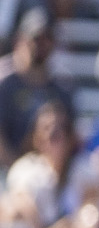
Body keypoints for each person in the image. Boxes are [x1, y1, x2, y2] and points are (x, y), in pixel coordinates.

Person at [0, 11, 74, 165]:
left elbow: (70, 136)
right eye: (36, 38)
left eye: (48, 38)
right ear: (21, 40)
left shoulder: (62, 86)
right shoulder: (5, 83)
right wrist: (17, 169)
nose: (42, 44)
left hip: (50, 174)